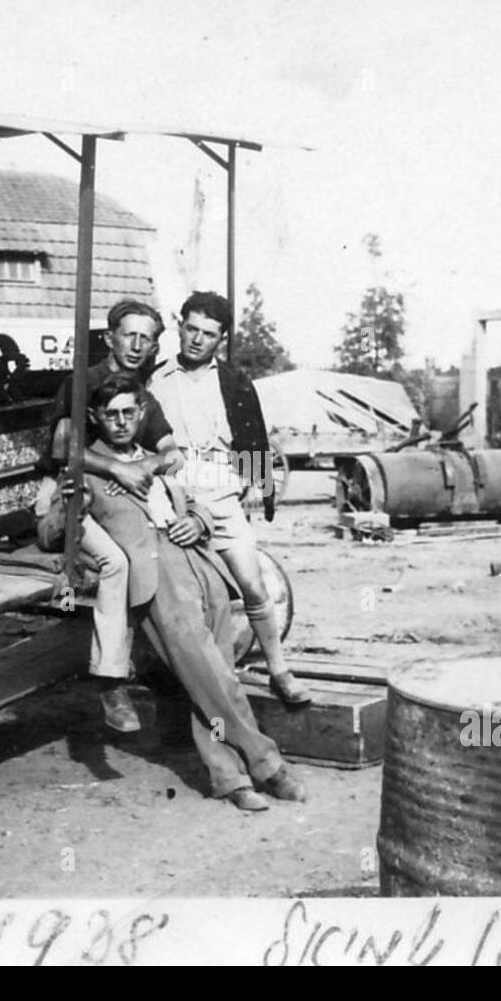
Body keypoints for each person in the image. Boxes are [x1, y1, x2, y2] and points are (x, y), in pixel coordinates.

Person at [37, 372, 307, 811]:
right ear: (95, 418)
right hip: (156, 579)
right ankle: (265, 761)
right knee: (213, 676)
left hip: (200, 566)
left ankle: (228, 777)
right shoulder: (83, 466)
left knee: (214, 676)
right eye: (111, 415)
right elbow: (49, 534)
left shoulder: (156, 458)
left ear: (141, 414)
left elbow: (192, 500)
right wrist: (69, 507)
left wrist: (199, 519)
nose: (121, 422)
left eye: (129, 412)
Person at [148, 291, 311, 706]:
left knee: (254, 586)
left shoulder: (234, 382)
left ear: (220, 339)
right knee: (183, 596)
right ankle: (185, 682)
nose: (197, 340)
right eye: (191, 329)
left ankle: (278, 669)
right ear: (179, 326)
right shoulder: (156, 380)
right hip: (174, 499)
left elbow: (252, 441)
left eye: (209, 334)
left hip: (221, 497)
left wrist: (255, 494)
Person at [36, 300, 183, 734]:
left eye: (147, 338)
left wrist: (143, 467)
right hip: (67, 491)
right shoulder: (83, 383)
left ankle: (166, 674)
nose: (137, 346)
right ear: (110, 338)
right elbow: (63, 450)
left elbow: (170, 452)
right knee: (115, 562)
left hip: (109, 492)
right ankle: (112, 680)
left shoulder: (144, 395)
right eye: (129, 335)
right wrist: (116, 467)